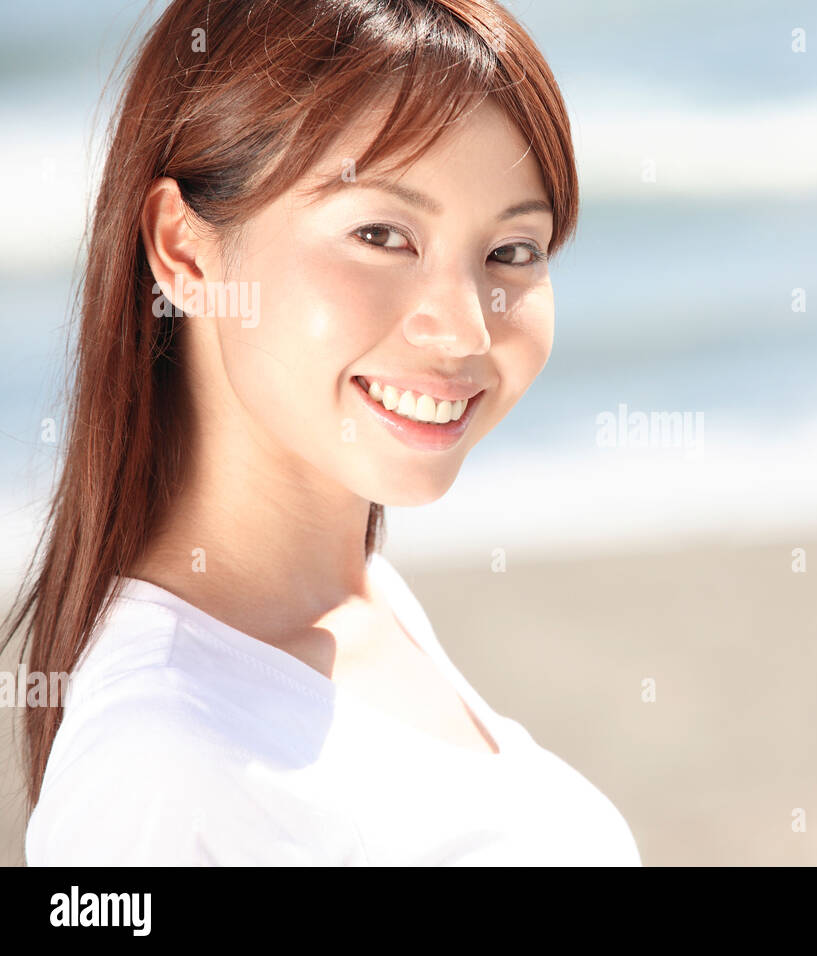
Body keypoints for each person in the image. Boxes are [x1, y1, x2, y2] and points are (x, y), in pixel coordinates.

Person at [5, 0, 641, 865]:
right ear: (184, 252)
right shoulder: (159, 760)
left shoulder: (359, 600)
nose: (463, 331)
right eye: (382, 235)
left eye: (513, 251)